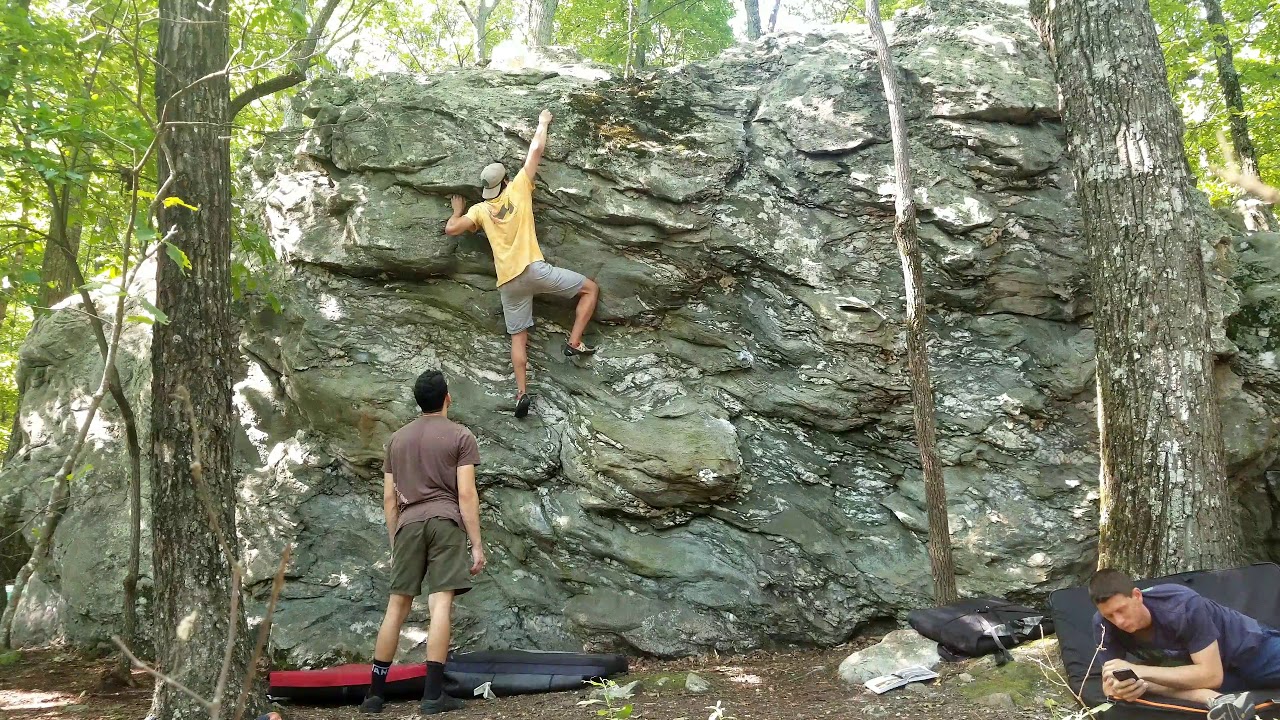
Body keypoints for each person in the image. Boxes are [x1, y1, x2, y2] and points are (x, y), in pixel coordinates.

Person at [444, 108, 601, 419]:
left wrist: (458, 211)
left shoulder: (478, 211)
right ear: (504, 182)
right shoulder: (518, 187)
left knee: (518, 338)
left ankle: (521, 392)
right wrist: (542, 122)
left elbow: (450, 229)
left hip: (508, 283)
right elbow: (536, 150)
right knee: (590, 289)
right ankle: (574, 341)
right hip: (533, 270)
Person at [360, 370, 485, 715]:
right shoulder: (460, 436)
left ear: (418, 401)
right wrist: (476, 543)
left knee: (396, 606)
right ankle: (433, 696)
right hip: (445, 521)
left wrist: (395, 538)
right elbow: (465, 493)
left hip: (408, 524)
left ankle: (374, 695)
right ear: (447, 397)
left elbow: (389, 499)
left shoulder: (396, 442)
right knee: (440, 603)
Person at [1090, 568, 1280, 720]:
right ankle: (1216, 700)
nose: (1119, 621)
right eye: (1110, 615)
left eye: (1122, 610)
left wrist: (1141, 672)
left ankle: (1212, 697)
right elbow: (1109, 687)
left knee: (1147, 677)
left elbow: (1212, 676)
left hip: (1253, 651)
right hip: (1207, 675)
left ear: (1137, 596)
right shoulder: (1103, 624)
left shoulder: (1182, 604)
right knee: (1144, 684)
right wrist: (1124, 689)